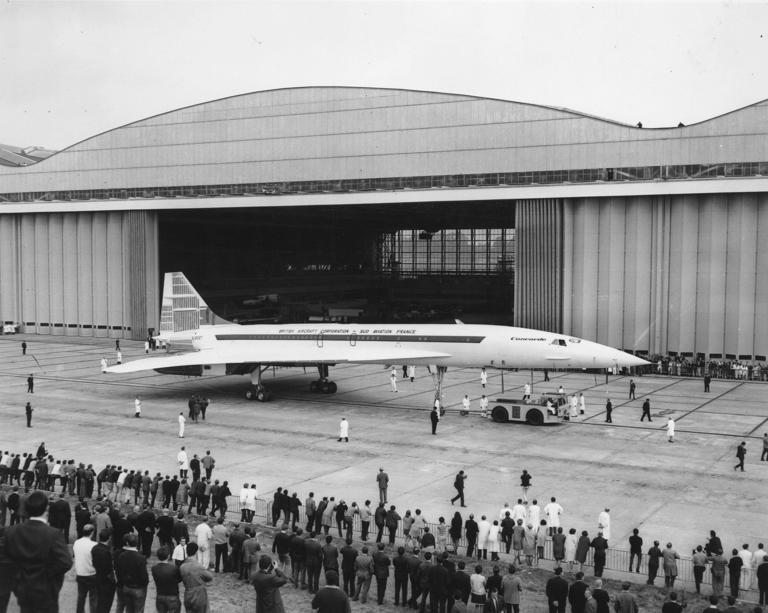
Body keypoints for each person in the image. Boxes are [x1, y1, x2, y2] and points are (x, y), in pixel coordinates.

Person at [3, 489, 73, 612]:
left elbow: (6, 559)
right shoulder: (53, 534)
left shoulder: (12, 531)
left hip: (22, 588)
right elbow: (65, 562)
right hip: (45, 589)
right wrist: (45, 574)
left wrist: (18, 577)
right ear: (46, 509)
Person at [115, 533, 149, 613]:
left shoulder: (121, 555)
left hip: (126, 586)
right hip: (138, 588)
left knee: (129, 610)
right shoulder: (140, 558)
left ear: (127, 543)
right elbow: (144, 576)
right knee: (138, 610)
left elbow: (119, 571)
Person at [180, 542, 214, 613]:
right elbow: (210, 577)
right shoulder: (198, 566)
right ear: (196, 552)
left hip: (187, 593)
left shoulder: (182, 566)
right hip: (199, 594)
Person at [73, 523, 98, 613]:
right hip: (91, 573)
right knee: (93, 598)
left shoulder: (77, 542)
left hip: (80, 572)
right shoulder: (94, 544)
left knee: (81, 596)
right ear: (92, 532)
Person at [151, 546, 182, 613]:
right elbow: (179, 579)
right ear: (168, 556)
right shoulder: (174, 568)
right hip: (172, 596)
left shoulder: (154, 568)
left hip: (160, 595)